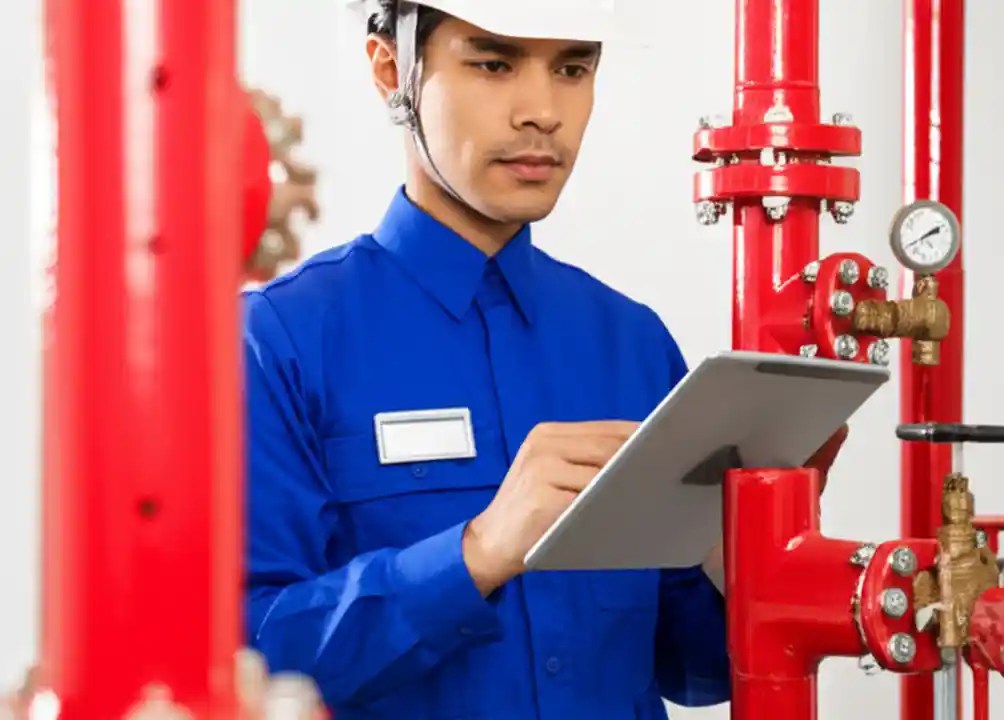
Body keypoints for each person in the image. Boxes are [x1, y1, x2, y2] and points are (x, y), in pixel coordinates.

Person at [240, 1, 849, 717]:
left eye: (572, 68)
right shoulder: (280, 339)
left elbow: (694, 666)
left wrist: (752, 542)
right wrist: (473, 556)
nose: (542, 112)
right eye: (493, 63)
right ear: (390, 71)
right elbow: (245, 659)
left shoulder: (632, 344)